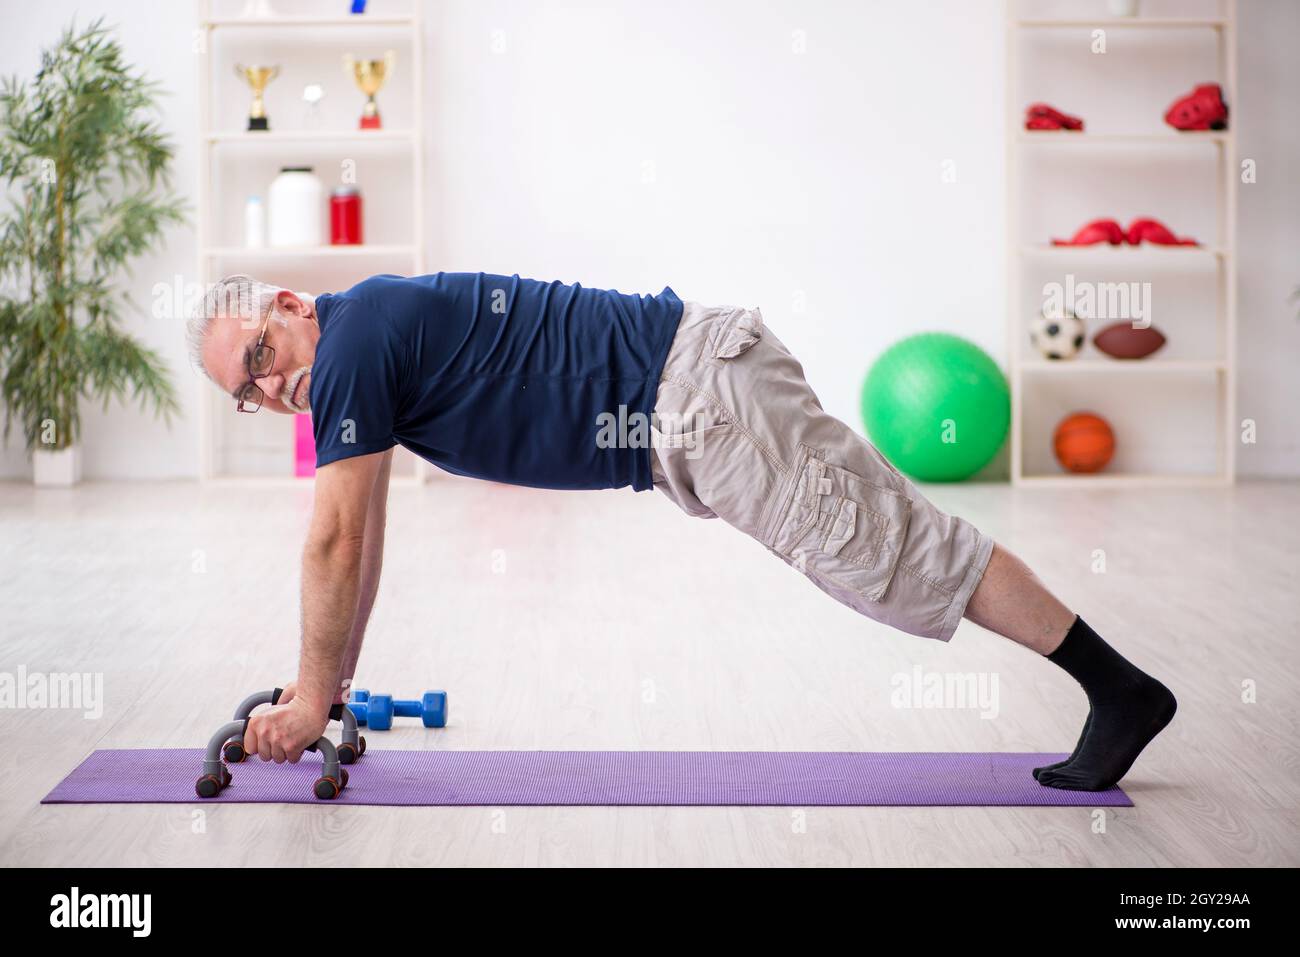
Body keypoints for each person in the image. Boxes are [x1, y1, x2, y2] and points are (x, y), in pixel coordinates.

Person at [187, 272, 1177, 791]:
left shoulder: (356, 341)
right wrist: (331, 683)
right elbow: (359, 543)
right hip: (695, 395)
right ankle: (1120, 690)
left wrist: (313, 695)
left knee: (897, 558)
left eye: (263, 354)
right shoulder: (364, 342)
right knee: (894, 551)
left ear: (288, 305)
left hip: (696, 397)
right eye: (249, 392)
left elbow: (331, 543)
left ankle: (1121, 691)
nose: (272, 387)